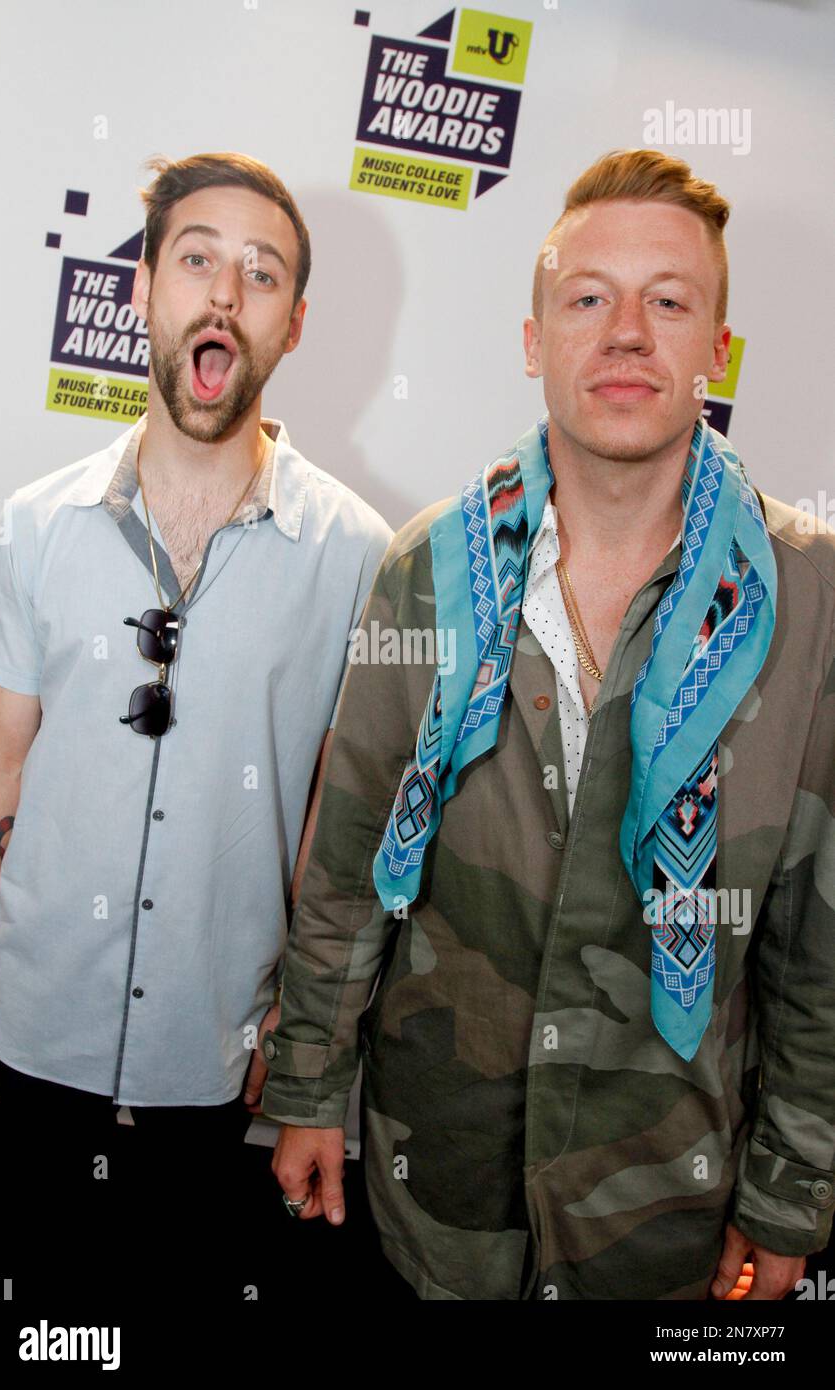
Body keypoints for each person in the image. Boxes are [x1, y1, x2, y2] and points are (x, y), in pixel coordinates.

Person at [260, 149, 835, 1301]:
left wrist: (786, 1190)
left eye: (667, 302)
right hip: (442, 1198)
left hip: (665, 1213)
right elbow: (346, 861)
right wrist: (309, 1089)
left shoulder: (808, 599)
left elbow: (820, 951)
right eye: (586, 299)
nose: (625, 333)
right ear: (534, 342)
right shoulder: (427, 569)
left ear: (714, 352)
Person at [0, 152, 391, 1277]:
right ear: (143, 286)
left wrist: (306, 1056)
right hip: (25, 1044)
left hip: (213, 1069)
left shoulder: (356, 555)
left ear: (292, 324)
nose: (221, 293)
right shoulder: (34, 525)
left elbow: (330, 832)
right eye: (195, 259)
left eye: (259, 275)